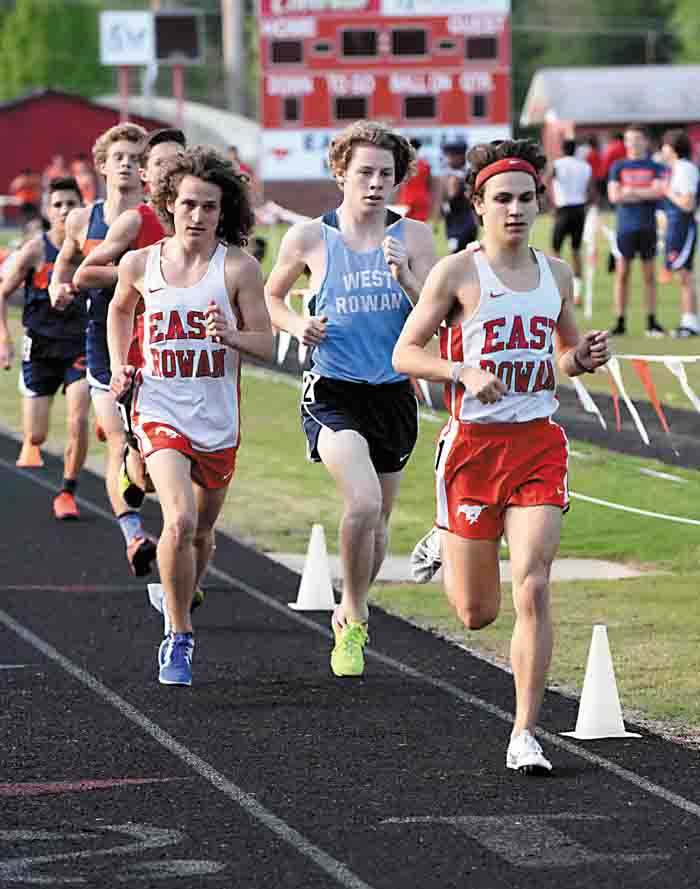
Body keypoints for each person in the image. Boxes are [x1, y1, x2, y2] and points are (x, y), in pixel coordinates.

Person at [392, 139, 610, 774]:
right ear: (478, 204)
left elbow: (563, 359)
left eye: (526, 198)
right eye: (503, 199)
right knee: (476, 611)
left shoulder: (556, 273)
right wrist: (461, 370)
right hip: (472, 450)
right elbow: (406, 355)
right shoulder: (457, 273)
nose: (516, 210)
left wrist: (583, 359)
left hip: (537, 444)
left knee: (535, 585)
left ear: (541, 202)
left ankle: (524, 734)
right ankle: (442, 531)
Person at [265, 119, 438, 678]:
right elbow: (271, 298)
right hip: (333, 389)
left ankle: (354, 603)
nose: (375, 183)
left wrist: (409, 279)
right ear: (340, 173)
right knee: (361, 503)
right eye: (364, 172)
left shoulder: (415, 237)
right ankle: (354, 612)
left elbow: (437, 321)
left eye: (386, 174)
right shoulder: (310, 237)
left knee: (380, 521)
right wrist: (295, 324)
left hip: (393, 393)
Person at [107, 146, 274, 686]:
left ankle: (182, 585)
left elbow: (268, 345)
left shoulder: (239, 268)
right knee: (176, 520)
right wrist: (118, 366)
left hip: (217, 419)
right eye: (188, 205)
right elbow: (119, 309)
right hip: (160, 406)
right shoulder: (141, 264)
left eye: (209, 206)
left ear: (223, 211)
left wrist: (230, 336)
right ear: (168, 205)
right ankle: (178, 636)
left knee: (201, 532)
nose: (197, 216)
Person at [49, 123, 156, 576]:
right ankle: (134, 535)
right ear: (102, 165)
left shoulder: (159, 218)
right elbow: (68, 258)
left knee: (146, 459)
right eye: (120, 158)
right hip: (100, 339)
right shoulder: (82, 218)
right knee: (117, 440)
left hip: (153, 340)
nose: (128, 165)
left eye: (137, 158)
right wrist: (58, 283)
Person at [73, 128, 187, 507]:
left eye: (177, 163)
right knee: (138, 463)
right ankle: (134, 521)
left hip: (184, 350)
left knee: (175, 474)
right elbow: (83, 275)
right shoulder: (135, 221)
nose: (169, 171)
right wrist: (141, 278)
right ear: (146, 174)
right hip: (131, 343)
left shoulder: (204, 217)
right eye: (160, 164)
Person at [0, 177, 89, 518]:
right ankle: (33, 413)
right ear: (47, 211)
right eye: (59, 205)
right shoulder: (35, 249)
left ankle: (67, 492)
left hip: (79, 344)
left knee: (78, 419)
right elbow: (3, 294)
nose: (66, 211)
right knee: (36, 436)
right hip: (39, 347)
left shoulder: (93, 247)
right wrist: (5, 340)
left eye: (72, 204)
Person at [607, 126, 666, 337]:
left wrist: (630, 191)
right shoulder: (618, 166)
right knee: (622, 275)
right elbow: (614, 196)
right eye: (629, 140)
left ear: (645, 141)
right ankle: (620, 322)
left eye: (637, 139)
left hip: (648, 227)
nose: (632, 143)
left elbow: (658, 191)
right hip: (625, 228)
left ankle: (651, 322)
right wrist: (643, 193)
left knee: (649, 276)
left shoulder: (655, 166)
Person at [659, 129, 700, 338]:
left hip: (683, 226)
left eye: (664, 145)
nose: (662, 149)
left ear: (673, 148)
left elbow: (687, 203)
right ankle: (690, 321)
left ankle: (690, 323)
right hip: (676, 226)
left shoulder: (684, 169)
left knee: (685, 274)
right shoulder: (676, 168)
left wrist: (667, 191)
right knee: (683, 275)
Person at [546, 139, 594, 306]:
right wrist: (586, 206)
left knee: (555, 251)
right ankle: (578, 294)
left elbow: (546, 181)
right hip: (579, 210)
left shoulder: (557, 164)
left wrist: (551, 203)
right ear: (576, 150)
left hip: (563, 209)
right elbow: (591, 190)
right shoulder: (585, 166)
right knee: (576, 251)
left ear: (562, 149)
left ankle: (557, 292)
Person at [440, 139, 479, 253]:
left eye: (451, 156)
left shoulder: (457, 178)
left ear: (460, 157)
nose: (448, 160)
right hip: (465, 226)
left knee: (457, 257)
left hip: (459, 228)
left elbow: (450, 200)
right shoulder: (465, 174)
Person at [397, 138, 436, 222]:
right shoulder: (425, 165)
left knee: (404, 227)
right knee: (419, 225)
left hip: (406, 198)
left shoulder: (404, 164)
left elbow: (399, 183)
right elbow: (429, 184)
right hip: (421, 198)